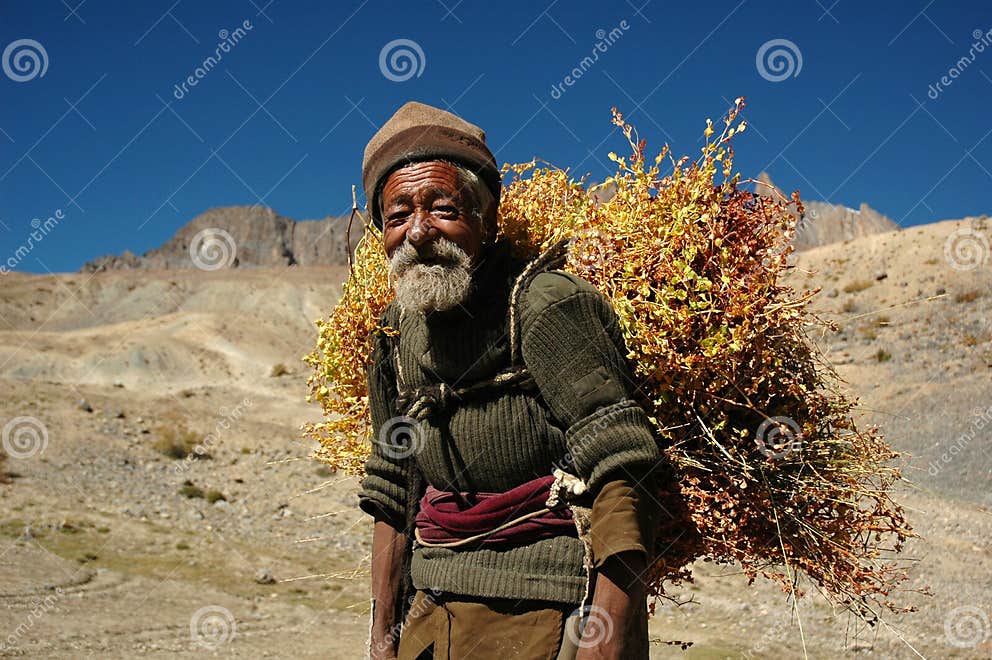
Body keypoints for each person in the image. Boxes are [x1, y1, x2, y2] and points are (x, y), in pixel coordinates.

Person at [357, 101, 665, 660]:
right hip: (432, 610)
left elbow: (625, 469)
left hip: (553, 610)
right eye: (398, 216)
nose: (419, 232)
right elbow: (392, 487)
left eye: (444, 208)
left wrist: (606, 640)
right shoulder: (394, 336)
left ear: (488, 218)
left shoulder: (546, 308)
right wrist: (380, 641)